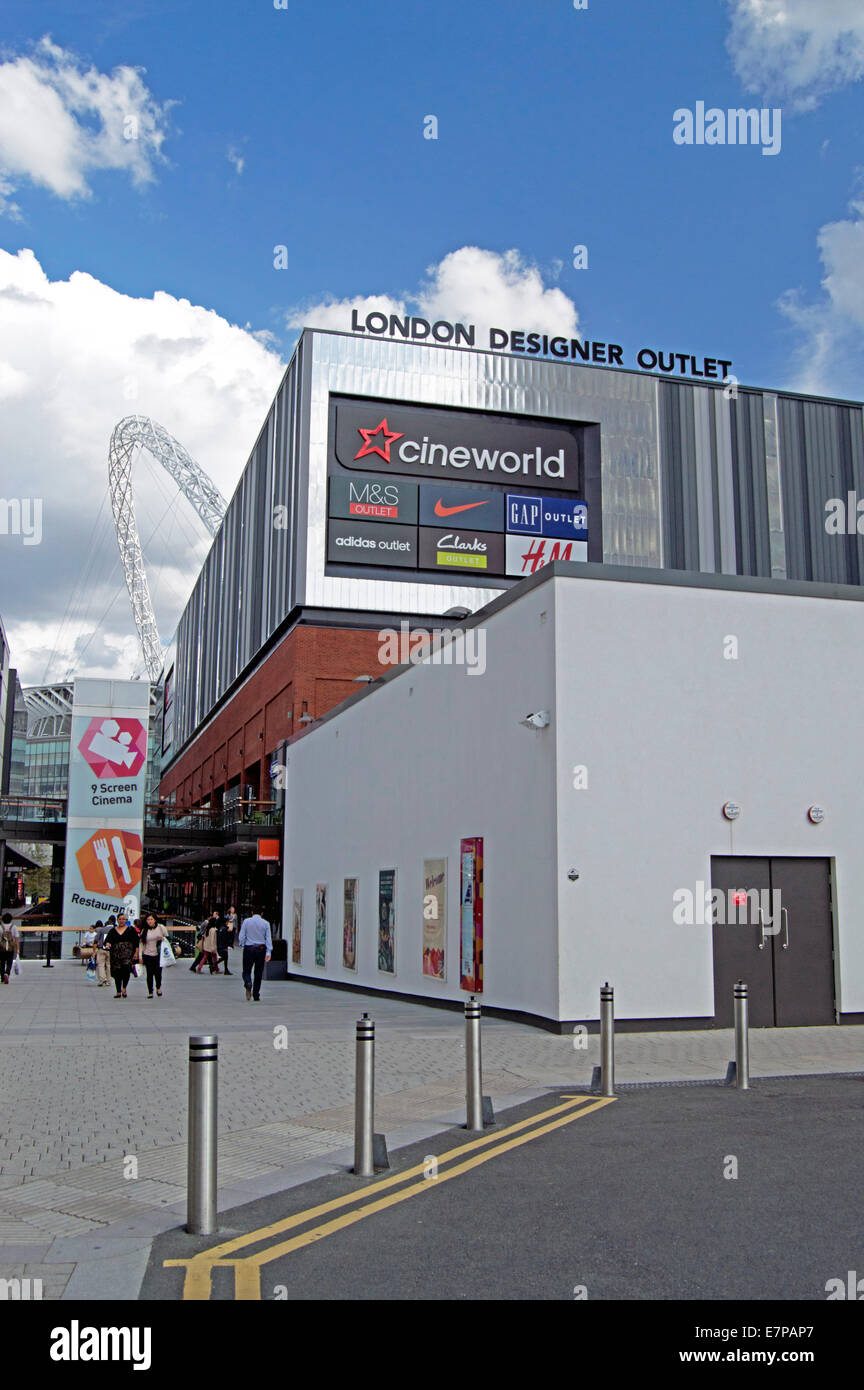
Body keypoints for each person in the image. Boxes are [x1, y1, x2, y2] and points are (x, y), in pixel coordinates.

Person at [238, 906, 272, 1002]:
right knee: (258, 973)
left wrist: (242, 944)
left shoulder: (246, 922)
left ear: (252, 912)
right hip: (261, 949)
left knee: (246, 971)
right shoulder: (266, 923)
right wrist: (268, 951)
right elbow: (268, 938)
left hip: (249, 948)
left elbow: (242, 935)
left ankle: (248, 982)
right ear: (262, 914)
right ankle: (256, 994)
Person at [104, 912, 139, 998]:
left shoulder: (131, 930)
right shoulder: (112, 930)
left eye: (123, 919)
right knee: (117, 973)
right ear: (117, 920)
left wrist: (136, 953)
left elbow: (136, 942)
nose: (121, 921)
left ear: (126, 920)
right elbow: (107, 941)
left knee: (126, 969)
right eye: (120, 919)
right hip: (115, 955)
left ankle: (124, 988)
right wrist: (108, 944)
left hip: (127, 954)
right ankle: (118, 991)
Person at [139, 914, 167, 998]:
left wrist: (162, 939)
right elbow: (141, 944)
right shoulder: (144, 930)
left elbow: (167, 938)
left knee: (158, 973)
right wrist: (140, 956)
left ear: (155, 920)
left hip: (158, 954)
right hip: (147, 954)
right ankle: (150, 991)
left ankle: (158, 987)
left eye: (151, 919)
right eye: (148, 920)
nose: (150, 921)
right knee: (149, 973)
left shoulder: (161, 928)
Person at [0, 913, 19, 984]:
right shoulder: (13, 927)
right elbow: (16, 938)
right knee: (9, 961)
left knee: (2, 962)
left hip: (2, 947)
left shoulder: (0, 927)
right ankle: (7, 973)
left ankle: (2, 977)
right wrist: (18, 949)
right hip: (10, 947)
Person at [217, 907, 235, 976]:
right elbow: (226, 938)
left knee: (224, 958)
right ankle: (225, 970)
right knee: (225, 957)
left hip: (220, 945)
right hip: (223, 946)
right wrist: (228, 945)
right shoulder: (225, 929)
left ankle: (224, 969)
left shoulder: (220, 929)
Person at [93, 921, 110, 986]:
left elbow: (96, 940)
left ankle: (102, 979)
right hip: (111, 950)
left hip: (101, 949)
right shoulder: (115, 929)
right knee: (109, 965)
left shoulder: (102, 930)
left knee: (100, 965)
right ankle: (108, 981)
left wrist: (94, 951)